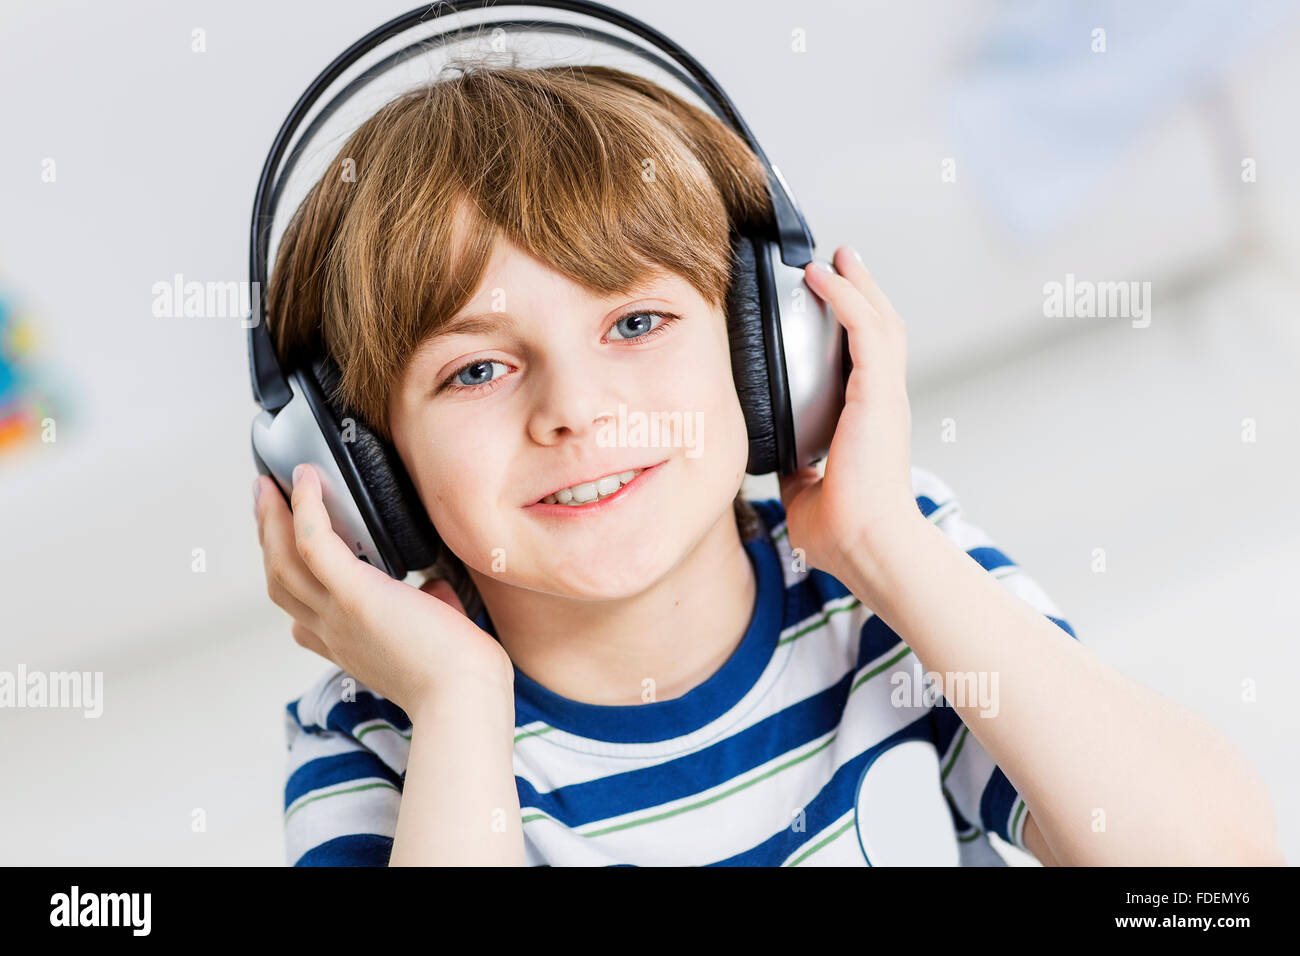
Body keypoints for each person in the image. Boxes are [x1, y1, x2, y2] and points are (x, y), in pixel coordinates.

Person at [253, 62, 1282, 866]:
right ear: (363, 464)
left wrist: (883, 543)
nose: (572, 411)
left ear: (771, 353)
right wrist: (459, 703)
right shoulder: (387, 726)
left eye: (638, 320)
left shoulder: (883, 585)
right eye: (475, 369)